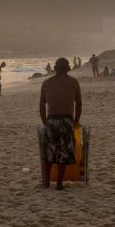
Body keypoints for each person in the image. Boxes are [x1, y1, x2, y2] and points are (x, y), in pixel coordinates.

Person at [39, 57, 83, 190]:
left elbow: (41, 105)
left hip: (51, 120)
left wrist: (45, 122)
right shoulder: (73, 82)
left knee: (49, 152)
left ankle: (46, 182)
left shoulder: (46, 83)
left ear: (55, 68)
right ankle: (58, 183)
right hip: (66, 120)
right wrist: (76, 121)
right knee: (63, 152)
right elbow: (79, 104)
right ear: (68, 69)